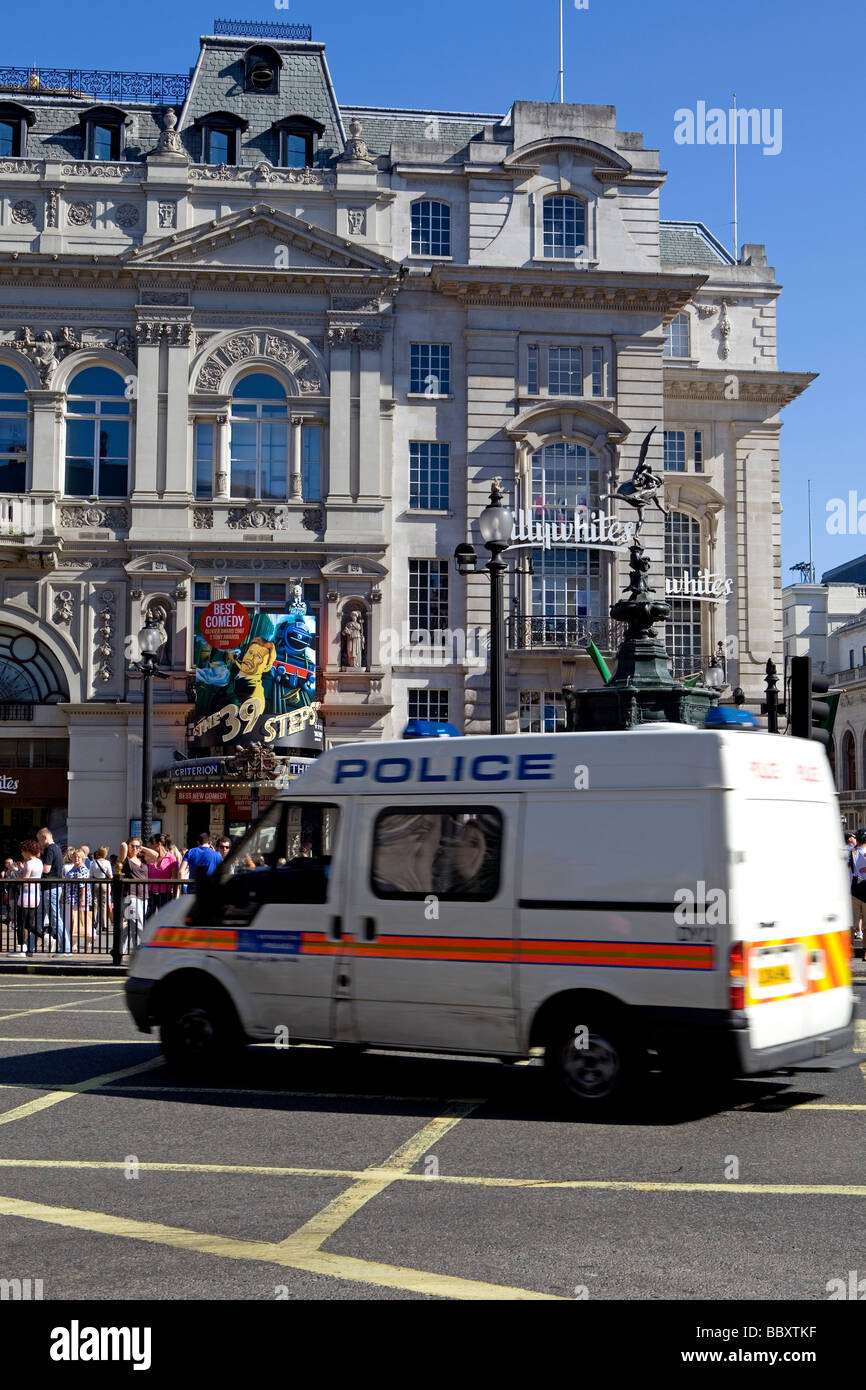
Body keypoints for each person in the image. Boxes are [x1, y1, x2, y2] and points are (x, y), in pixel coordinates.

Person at [116, 838, 158, 954]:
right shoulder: (125, 860)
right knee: (137, 924)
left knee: (130, 926)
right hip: (130, 896)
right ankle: (140, 953)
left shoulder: (143, 859)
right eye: (132, 846)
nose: (135, 848)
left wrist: (141, 847)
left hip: (143, 895)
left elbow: (155, 855)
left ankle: (118, 950)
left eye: (137, 846)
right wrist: (129, 845)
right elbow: (123, 844)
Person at [37, 826, 65, 953]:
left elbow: (46, 869)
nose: (39, 843)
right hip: (54, 887)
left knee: (55, 919)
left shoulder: (49, 849)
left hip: (50, 888)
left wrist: (37, 865)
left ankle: (66, 948)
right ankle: (30, 948)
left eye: (39, 840)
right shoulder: (57, 848)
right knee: (40, 919)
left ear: (44, 837)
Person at [12, 840, 43, 956]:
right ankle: (44, 937)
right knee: (29, 923)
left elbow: (24, 881)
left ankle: (21, 948)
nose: (21, 853)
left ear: (27, 851)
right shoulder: (39, 862)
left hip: (25, 895)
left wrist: (17, 872)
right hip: (35, 895)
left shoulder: (29, 864)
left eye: (22, 851)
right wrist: (17, 870)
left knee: (21, 923)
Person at [64, 849, 93, 952]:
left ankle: (82, 942)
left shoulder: (82, 869)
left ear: (83, 859)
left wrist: (82, 899)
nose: (76, 859)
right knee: (72, 921)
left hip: (77, 899)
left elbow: (83, 886)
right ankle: (73, 944)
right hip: (70, 898)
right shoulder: (73, 867)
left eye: (79, 857)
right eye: (75, 857)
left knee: (77, 921)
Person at [147, 836, 178, 917]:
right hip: (150, 893)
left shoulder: (172, 858)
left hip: (165, 895)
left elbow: (175, 881)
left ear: (159, 844)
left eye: (152, 844)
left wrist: (175, 898)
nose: (150, 846)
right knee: (148, 920)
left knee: (164, 918)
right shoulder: (150, 857)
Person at [852, 831, 866, 961]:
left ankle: (851, 950)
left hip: (856, 890)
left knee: (854, 920)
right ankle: (865, 952)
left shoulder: (853, 852)